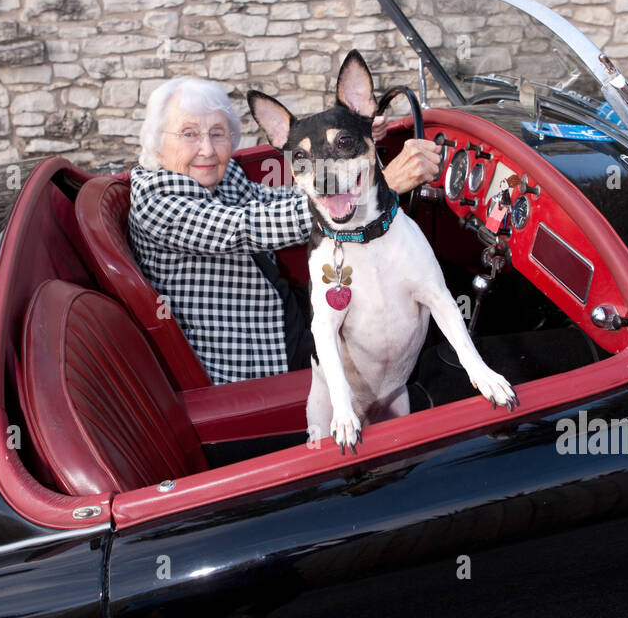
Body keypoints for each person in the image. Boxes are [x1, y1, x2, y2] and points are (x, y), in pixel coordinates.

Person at [128, 75, 442, 385]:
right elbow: (248, 228)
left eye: (217, 133)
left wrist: (351, 152)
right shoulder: (155, 201)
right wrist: (382, 188)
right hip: (258, 353)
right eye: (188, 134)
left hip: (281, 308)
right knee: (408, 315)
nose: (207, 149)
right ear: (157, 143)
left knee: (410, 294)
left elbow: (277, 199)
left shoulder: (217, 177)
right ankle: (437, 400)